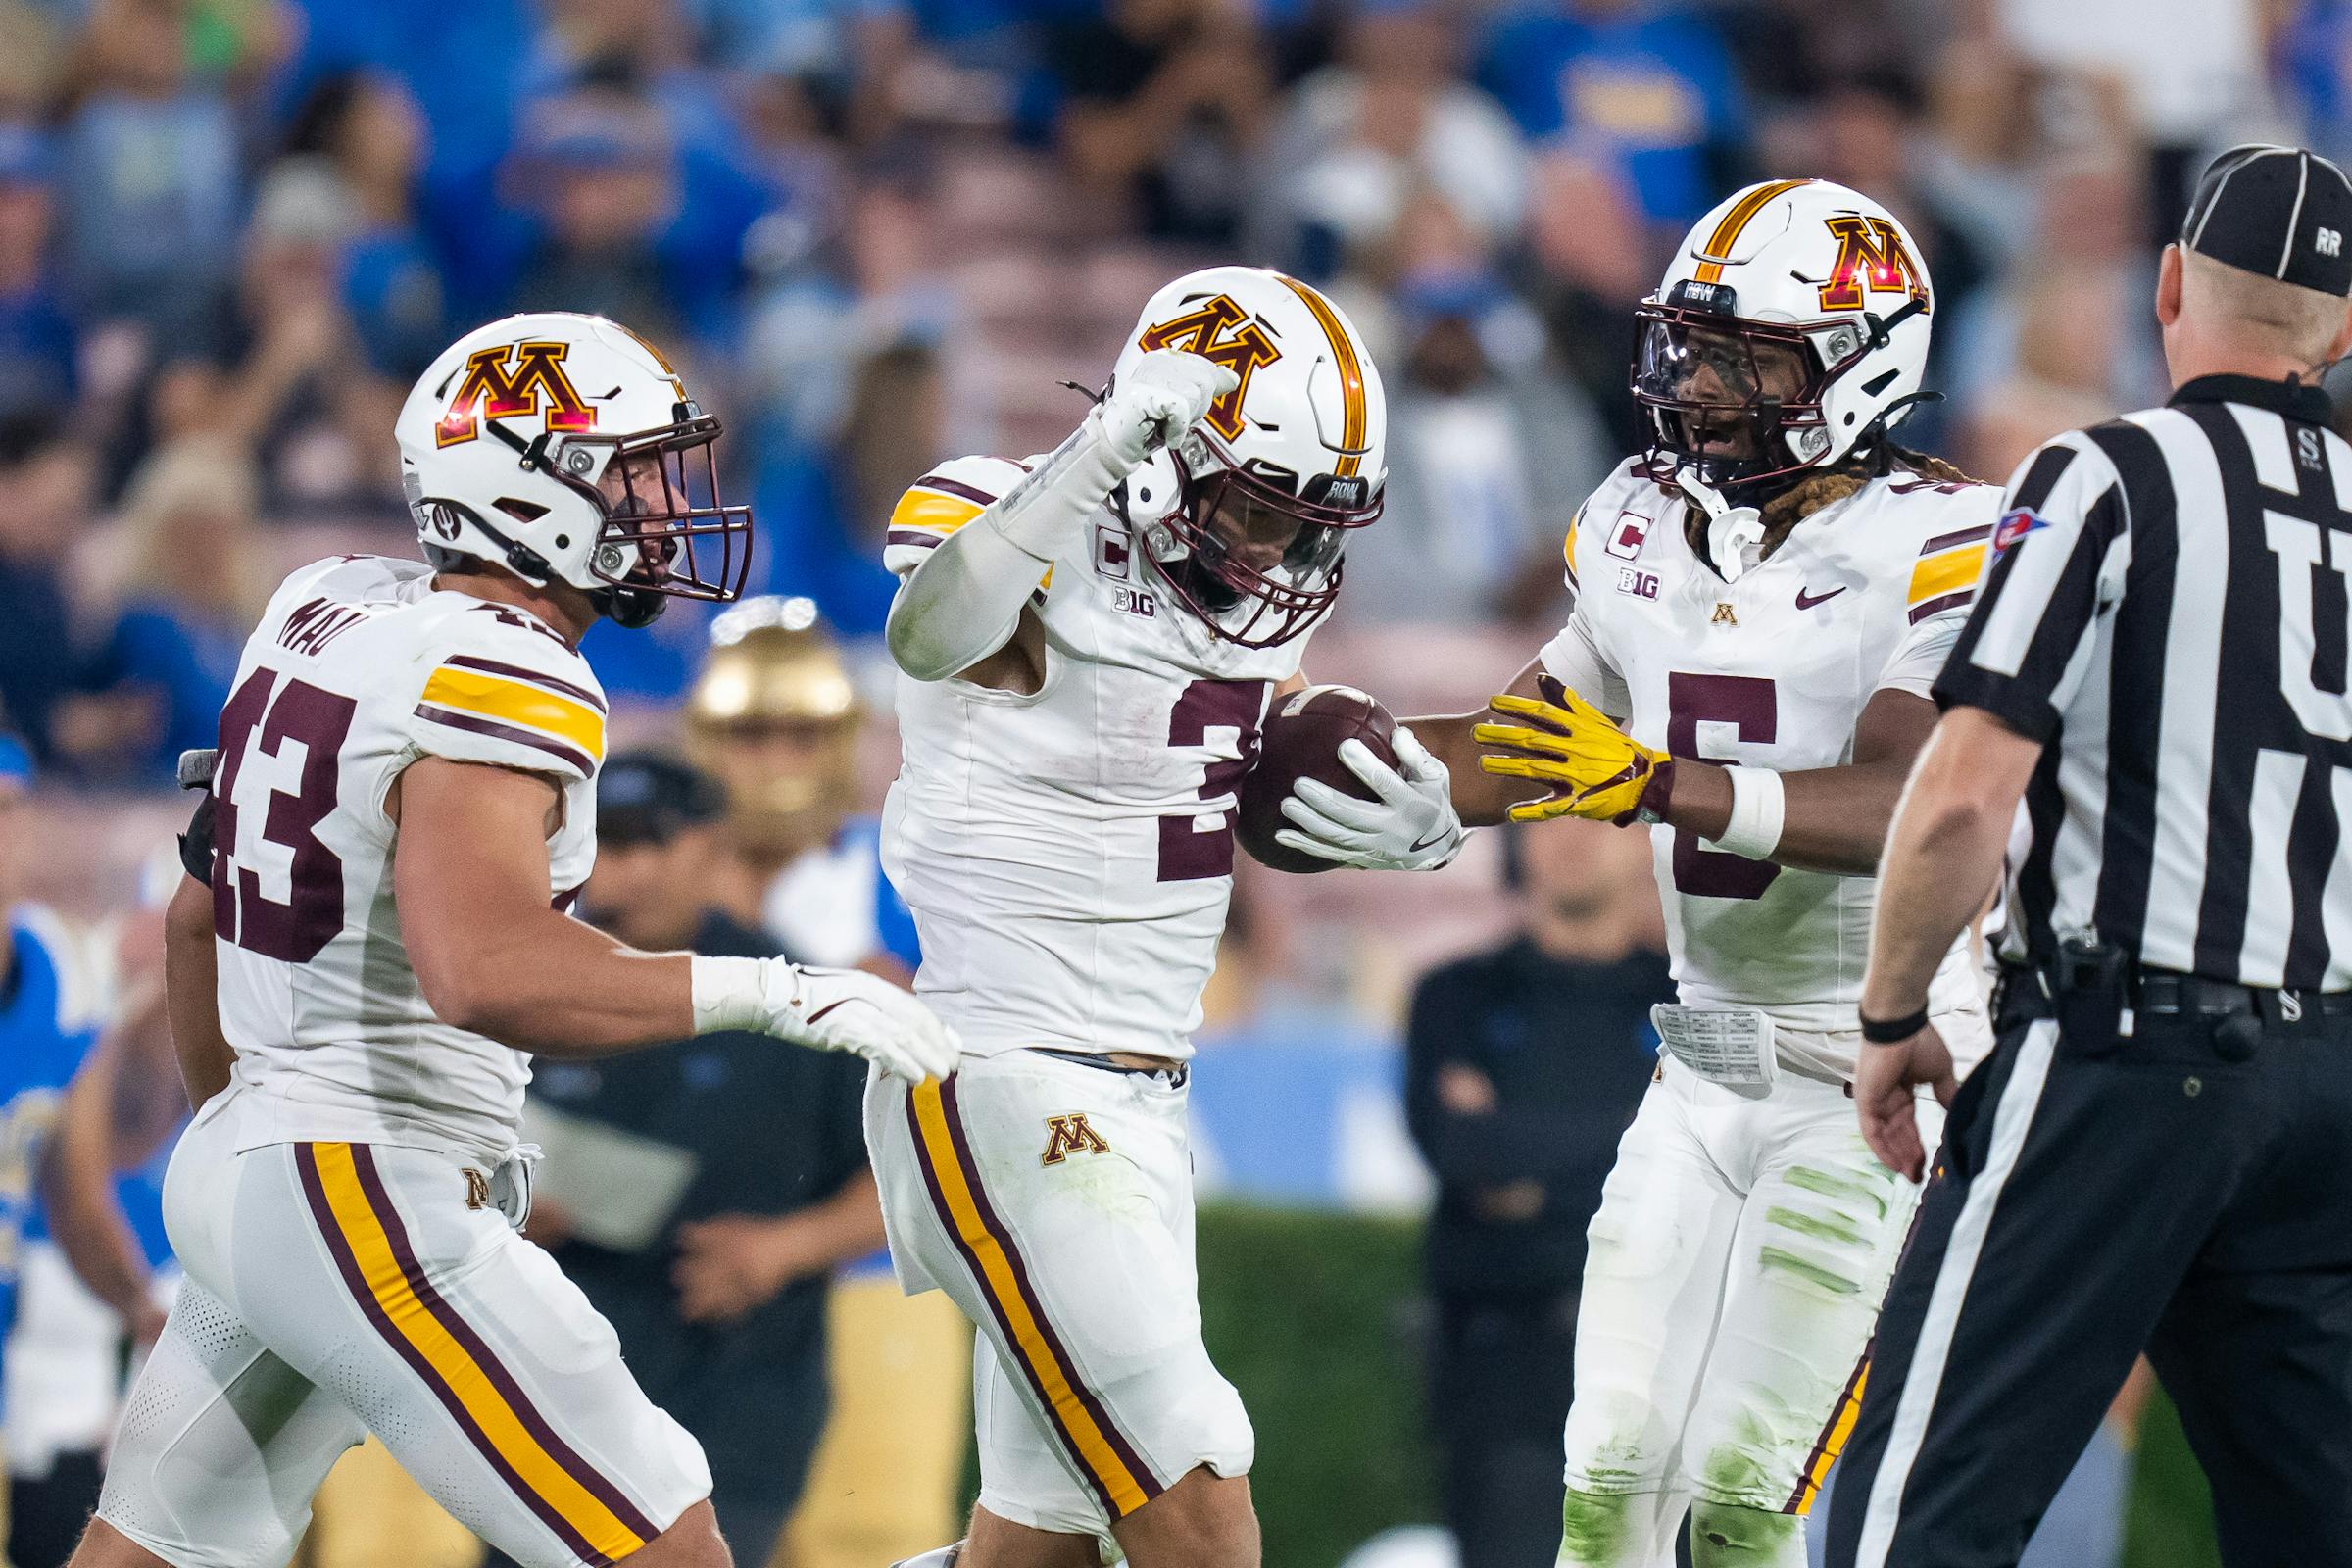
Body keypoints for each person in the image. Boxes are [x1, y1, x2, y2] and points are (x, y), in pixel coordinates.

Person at [68, 309, 957, 1568]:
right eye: (635, 472)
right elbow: (481, 969)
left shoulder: (325, 609)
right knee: (668, 1548)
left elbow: (197, 911)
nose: (665, 505)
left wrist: (241, 1133)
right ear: (531, 491)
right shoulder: (505, 666)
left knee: (149, 1554)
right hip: (368, 1176)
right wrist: (770, 989)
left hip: (268, 1165)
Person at [1274, 180, 2001, 1567]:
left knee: (1741, 1504)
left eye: (1753, 357)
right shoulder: (1640, 518)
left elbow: (1916, 799)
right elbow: (1526, 745)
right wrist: (1328, 760)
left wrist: (1663, 784)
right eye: (1697, 345)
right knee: (1608, 1496)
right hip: (1706, 1061)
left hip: (1885, 1075)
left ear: (1868, 365)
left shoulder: (1955, 535)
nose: (1705, 387)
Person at [1830, 143, 2352, 1568]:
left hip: (2131, 1049)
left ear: (2169, 283)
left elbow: (1958, 796)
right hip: (2329, 1081)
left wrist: (1891, 1014)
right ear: (2345, 329)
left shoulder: (2111, 476)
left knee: (1908, 1522)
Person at [873, 265, 1398, 1568]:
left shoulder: (1252, 607)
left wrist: (1426, 816)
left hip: (1139, 1100)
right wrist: (1091, 454)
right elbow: (933, 633)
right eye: (1258, 502)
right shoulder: (1001, 512)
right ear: (1164, 443)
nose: (1278, 549)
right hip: (1008, 1080)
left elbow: (1252, 773)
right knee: (1199, 1494)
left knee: (1036, 1546)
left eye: (1310, 520)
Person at [503, 749, 882, 1566]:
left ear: (711, 848)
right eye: (606, 844)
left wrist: (786, 1248)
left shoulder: (793, 999)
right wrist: (501, 1205)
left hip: (737, 1392)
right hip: (557, 1393)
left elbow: (901, 1182)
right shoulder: (536, 989)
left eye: (649, 845)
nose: (621, 873)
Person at [1403, 819, 1666, 1568]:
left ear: (1648, 841)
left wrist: (1523, 1164)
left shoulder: (1683, 1005)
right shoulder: (1454, 995)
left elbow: (1701, 1172)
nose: (1571, 834)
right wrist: (1628, 1137)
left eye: (1604, 813)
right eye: (1548, 810)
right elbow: (1462, 1153)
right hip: (1501, 1362)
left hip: (1658, 1367)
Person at [682, 595, 920, 977]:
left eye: (804, 736)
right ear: (705, 742)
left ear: (843, 739)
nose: (779, 764)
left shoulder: (910, 873)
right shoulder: (663, 877)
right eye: (752, 735)